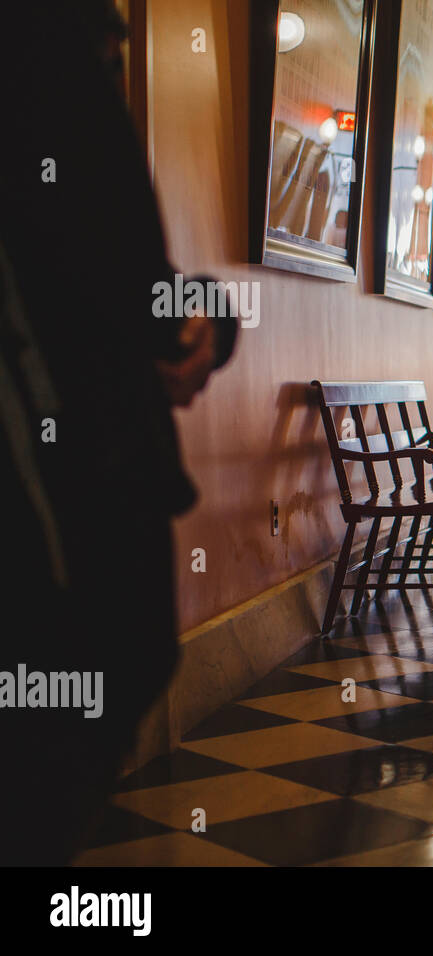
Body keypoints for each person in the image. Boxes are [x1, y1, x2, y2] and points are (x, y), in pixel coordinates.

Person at [0, 1, 236, 864]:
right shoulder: (43, 44)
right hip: (63, 507)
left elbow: (129, 272)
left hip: (92, 486)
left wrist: (203, 317)